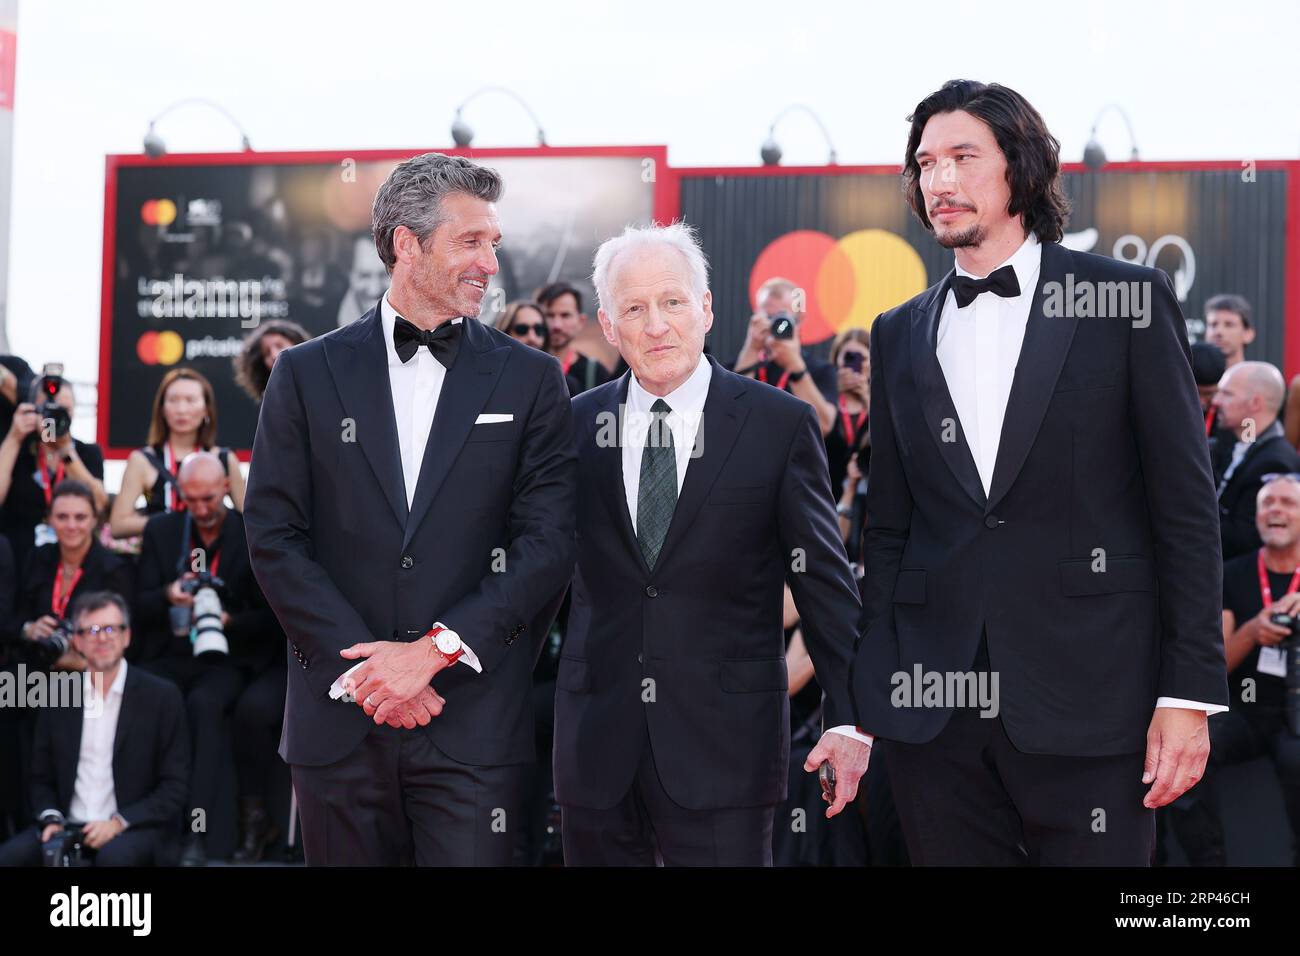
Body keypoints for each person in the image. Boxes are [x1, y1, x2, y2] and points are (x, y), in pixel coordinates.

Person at [852, 80, 1228, 866]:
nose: (940, 181)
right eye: (926, 163)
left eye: (963, 157)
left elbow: (1186, 510)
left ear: (1021, 169)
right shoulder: (898, 332)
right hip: (934, 715)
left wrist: (1187, 694)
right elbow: (886, 528)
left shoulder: (1124, 300)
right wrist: (871, 696)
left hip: (1095, 699)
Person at [245, 152, 577, 866]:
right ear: (405, 243)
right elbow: (275, 537)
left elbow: (548, 545)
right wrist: (373, 675)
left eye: (494, 242)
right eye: (471, 241)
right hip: (338, 723)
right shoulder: (304, 374)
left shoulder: (532, 380)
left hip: (472, 727)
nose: (490, 261)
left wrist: (433, 654)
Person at [554, 223, 868, 866]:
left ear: (706, 309)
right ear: (609, 327)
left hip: (729, 746)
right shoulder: (572, 425)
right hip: (596, 745)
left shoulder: (778, 423)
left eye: (672, 302)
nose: (657, 325)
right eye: (634, 309)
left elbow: (823, 580)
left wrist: (848, 716)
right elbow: (537, 573)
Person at [133, 452, 278, 866]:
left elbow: (273, 618)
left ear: (228, 489)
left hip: (228, 658)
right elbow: (136, 605)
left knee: (204, 707)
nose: (201, 509)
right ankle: (137, 825)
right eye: (191, 500)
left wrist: (229, 619)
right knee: (144, 696)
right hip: (170, 653)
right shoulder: (162, 531)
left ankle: (198, 835)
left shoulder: (252, 533)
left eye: (209, 499)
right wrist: (167, 596)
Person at [1165, 477, 1300, 865]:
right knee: (1189, 755)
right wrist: (1254, 629)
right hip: (1246, 708)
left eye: (1287, 502)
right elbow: (1217, 663)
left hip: (1297, 709)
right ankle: (1211, 860)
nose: (1276, 509)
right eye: (1267, 503)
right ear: (1256, 516)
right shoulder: (1233, 573)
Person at [0, 591, 190, 866]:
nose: (102, 638)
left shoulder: (162, 697)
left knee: (113, 860)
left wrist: (118, 823)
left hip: (134, 828)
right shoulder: (57, 697)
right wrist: (51, 818)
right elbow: (40, 778)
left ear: (127, 636)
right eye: (91, 630)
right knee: (8, 858)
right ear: (76, 641)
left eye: (111, 628)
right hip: (67, 825)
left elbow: (175, 786)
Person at [108, 368, 244, 540]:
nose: (181, 409)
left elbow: (248, 520)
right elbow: (118, 525)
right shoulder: (143, 460)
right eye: (173, 400)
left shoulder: (224, 460)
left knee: (198, 565)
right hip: (162, 559)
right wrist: (172, 523)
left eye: (190, 400)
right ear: (162, 409)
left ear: (206, 409)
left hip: (207, 557)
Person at [13, 480, 133, 671]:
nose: (71, 525)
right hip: (34, 665)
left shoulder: (113, 569)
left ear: (95, 520)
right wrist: (29, 629)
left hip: (91, 671)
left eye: (80, 517)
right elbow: (15, 614)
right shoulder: (37, 557)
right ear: (50, 519)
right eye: (62, 517)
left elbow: (124, 634)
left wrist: (86, 663)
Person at [0, 372, 107, 573]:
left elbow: (99, 504)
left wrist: (66, 451)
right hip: (18, 559)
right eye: (48, 411)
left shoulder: (87, 453)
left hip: (71, 562)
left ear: (73, 412)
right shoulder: (18, 450)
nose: (54, 418)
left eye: (63, 410)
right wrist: (14, 438)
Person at [1212, 361, 1300, 561]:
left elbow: (1243, 540)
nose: (1215, 401)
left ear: (1255, 403)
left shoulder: (1275, 463)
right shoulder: (1243, 443)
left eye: (1226, 394)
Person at [731, 277, 838, 434]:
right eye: (768, 317)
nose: (775, 325)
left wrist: (795, 366)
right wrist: (752, 347)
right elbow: (730, 412)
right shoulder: (739, 366)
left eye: (782, 318)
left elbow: (823, 426)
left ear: (800, 320)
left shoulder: (821, 371)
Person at [537, 280, 612, 394]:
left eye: (565, 315)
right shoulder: (525, 367)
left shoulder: (595, 373)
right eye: (549, 315)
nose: (557, 325)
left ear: (581, 321)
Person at [233, 319, 310, 403]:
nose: (274, 355)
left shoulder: (321, 380)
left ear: (297, 343)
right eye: (267, 353)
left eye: (279, 346)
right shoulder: (271, 403)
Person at [335, 233, 390, 328]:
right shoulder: (325, 332)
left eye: (384, 275)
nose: (375, 289)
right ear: (349, 275)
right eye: (364, 276)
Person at [1205, 293, 1254, 369]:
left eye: (1229, 325)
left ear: (1248, 334)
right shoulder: (1189, 379)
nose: (1219, 332)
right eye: (1213, 325)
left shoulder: (1257, 379)